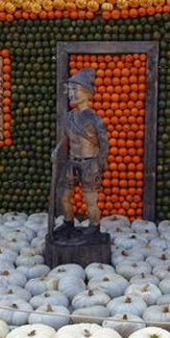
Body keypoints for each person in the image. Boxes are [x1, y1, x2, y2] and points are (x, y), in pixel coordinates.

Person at [51, 67, 109, 236]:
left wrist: (99, 162)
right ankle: (68, 222)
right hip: (71, 161)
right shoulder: (68, 117)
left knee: (90, 199)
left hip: (89, 163)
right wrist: (57, 151)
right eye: (69, 90)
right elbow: (64, 139)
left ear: (88, 92)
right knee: (64, 196)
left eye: (75, 90)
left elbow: (104, 143)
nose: (71, 94)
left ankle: (94, 226)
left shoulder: (94, 119)